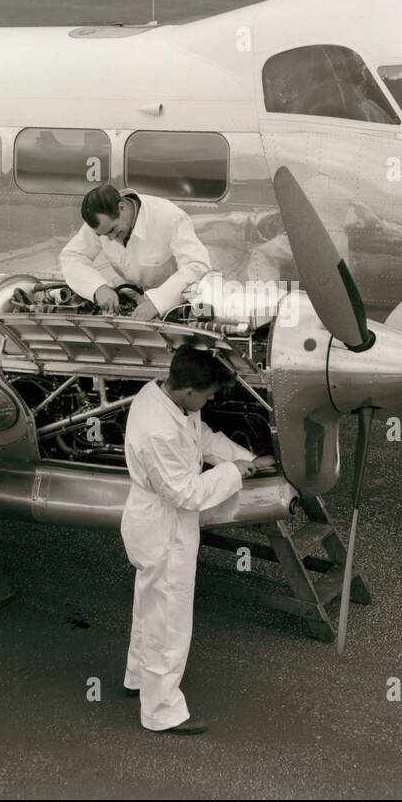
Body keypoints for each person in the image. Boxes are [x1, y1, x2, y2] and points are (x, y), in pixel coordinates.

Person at [121, 344, 275, 735]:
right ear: (189, 391)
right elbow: (186, 493)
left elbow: (202, 438)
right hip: (163, 527)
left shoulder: (165, 397)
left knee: (150, 606)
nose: (210, 401)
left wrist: (249, 461)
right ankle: (161, 711)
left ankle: (138, 678)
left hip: (156, 521)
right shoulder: (158, 429)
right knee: (169, 623)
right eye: (207, 395)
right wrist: (237, 473)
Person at [59, 184, 212, 321]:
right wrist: (98, 288)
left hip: (179, 306)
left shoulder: (169, 217)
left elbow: (196, 265)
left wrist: (157, 302)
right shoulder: (102, 223)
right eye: (104, 235)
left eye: (112, 230)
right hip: (136, 305)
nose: (111, 238)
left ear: (121, 207)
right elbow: (72, 257)